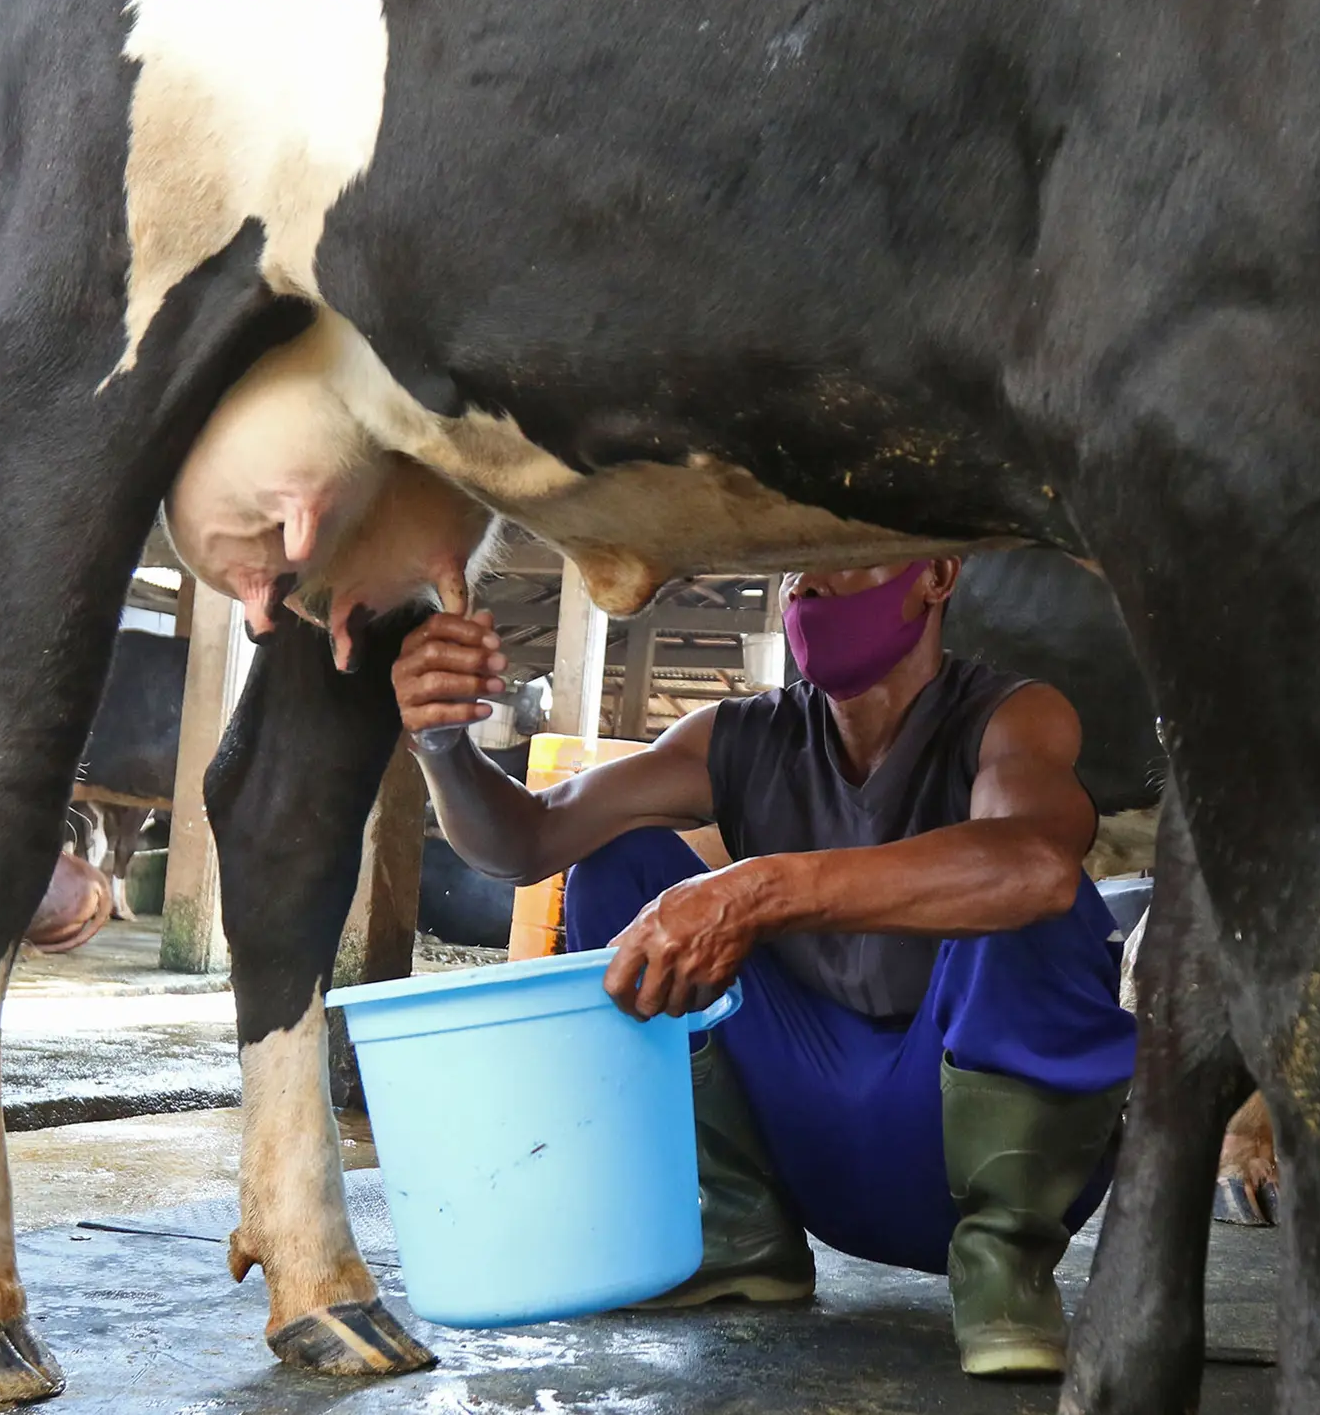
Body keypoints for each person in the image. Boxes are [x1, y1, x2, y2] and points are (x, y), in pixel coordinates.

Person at [394, 558, 1137, 1377]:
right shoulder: (744, 734)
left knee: (1030, 899)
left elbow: (1036, 867)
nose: (808, 582)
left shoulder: (1010, 715)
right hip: (812, 1132)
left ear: (936, 575)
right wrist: (442, 742)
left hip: (959, 1153)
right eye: (792, 559)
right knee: (619, 871)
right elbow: (526, 839)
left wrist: (759, 890)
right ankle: (740, 1232)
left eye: (841, 550)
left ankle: (1007, 1264)